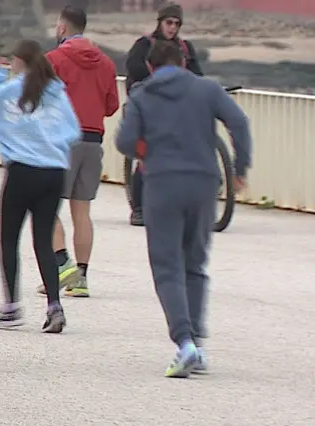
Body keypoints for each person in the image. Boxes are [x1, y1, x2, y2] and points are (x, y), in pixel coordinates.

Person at [115, 40, 251, 378]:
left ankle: (184, 342)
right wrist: (240, 168)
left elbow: (124, 142)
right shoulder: (207, 89)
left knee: (167, 266)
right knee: (195, 262)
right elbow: (239, 122)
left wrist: (147, 151)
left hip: (162, 183)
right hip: (204, 183)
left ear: (149, 66)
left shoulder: (143, 96)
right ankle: (198, 343)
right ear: (184, 61)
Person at [0, 39, 81, 334]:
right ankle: (54, 305)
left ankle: (11, 305)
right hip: (54, 172)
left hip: (21, 171)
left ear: (19, 61)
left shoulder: (11, 90)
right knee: (43, 240)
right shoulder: (57, 93)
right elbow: (73, 131)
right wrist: (48, 143)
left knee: (9, 238)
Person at [38, 5, 119, 300]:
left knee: (46, 207)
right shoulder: (107, 64)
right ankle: (81, 278)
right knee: (82, 211)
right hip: (92, 141)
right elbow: (111, 107)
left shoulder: (53, 60)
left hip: (61, 141)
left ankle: (62, 264)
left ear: (62, 28)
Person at [124, 2, 204, 227]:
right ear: (160, 22)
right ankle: (138, 208)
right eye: (169, 22)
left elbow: (197, 74)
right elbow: (135, 69)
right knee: (146, 155)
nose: (172, 28)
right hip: (148, 106)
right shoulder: (144, 45)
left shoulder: (185, 49)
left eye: (177, 24)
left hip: (176, 106)